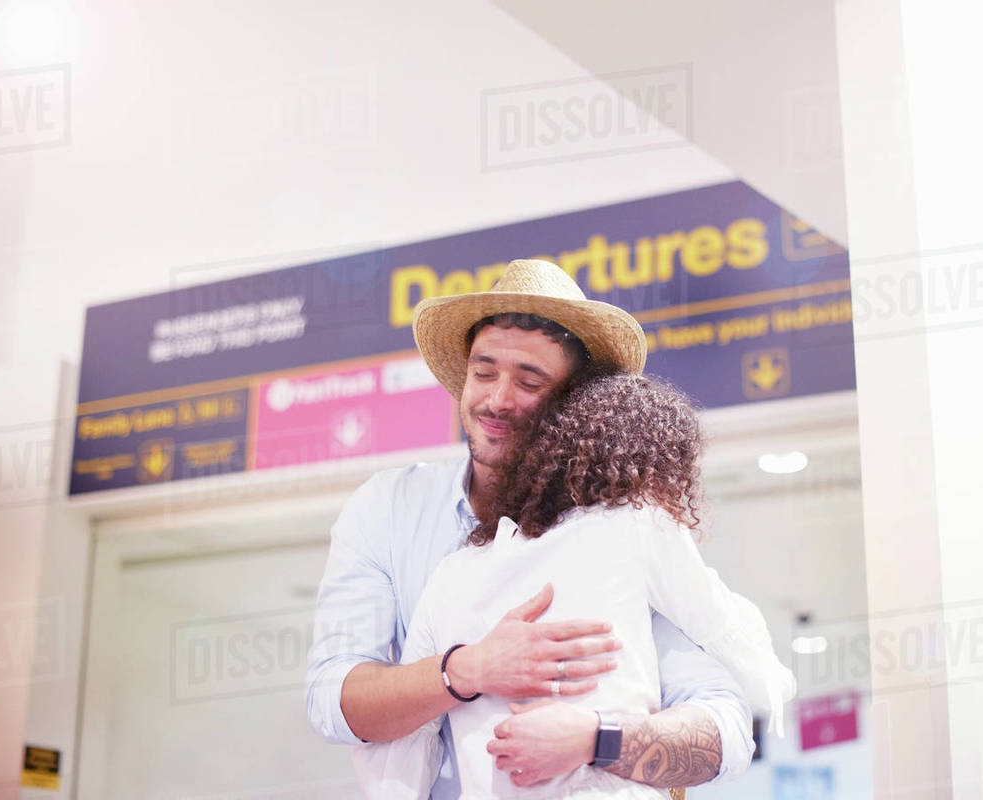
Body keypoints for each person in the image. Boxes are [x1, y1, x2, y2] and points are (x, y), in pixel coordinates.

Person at [306, 259, 757, 798]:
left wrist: (598, 739)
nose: (497, 399)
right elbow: (332, 700)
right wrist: (469, 670)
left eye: (529, 381)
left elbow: (727, 731)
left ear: (576, 403)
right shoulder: (389, 510)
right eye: (484, 372)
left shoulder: (617, 532)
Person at [352, 370, 796, 798]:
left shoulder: (453, 574)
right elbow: (716, 621)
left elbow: (401, 754)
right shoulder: (635, 524)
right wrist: (774, 687)